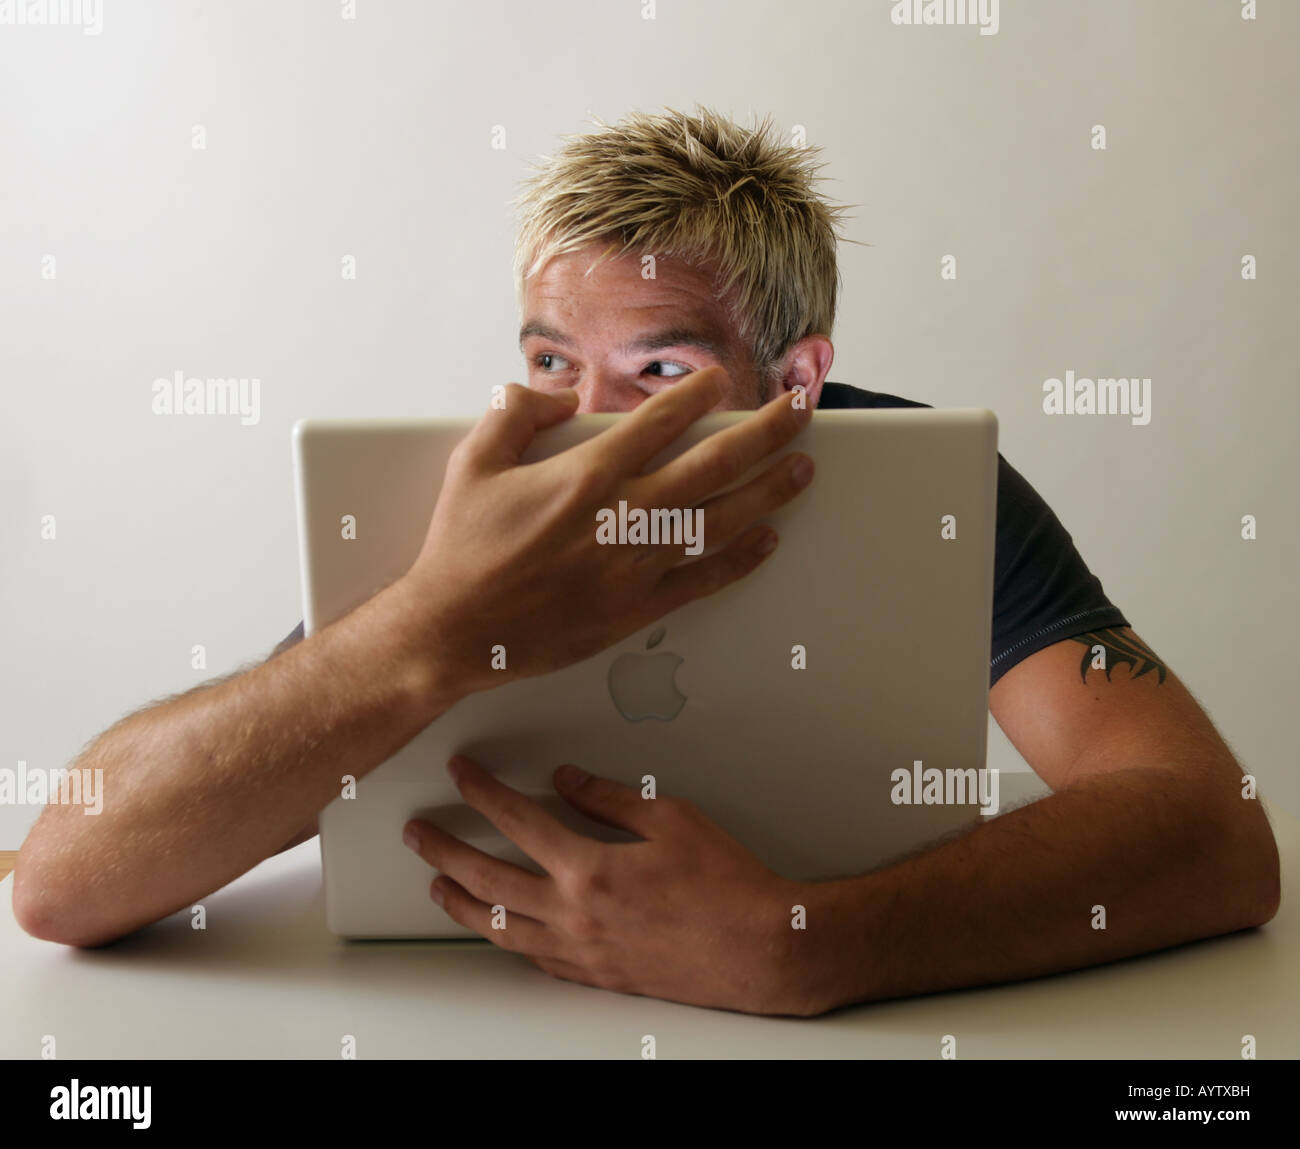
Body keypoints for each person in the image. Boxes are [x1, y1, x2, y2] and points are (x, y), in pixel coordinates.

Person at [14, 106, 1279, 1017]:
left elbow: (1210, 840)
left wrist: (810, 945)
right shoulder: (473, 494)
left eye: (660, 373)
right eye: (555, 362)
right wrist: (426, 630)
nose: (587, 431)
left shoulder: (927, 485)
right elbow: (65, 884)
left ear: (799, 376)